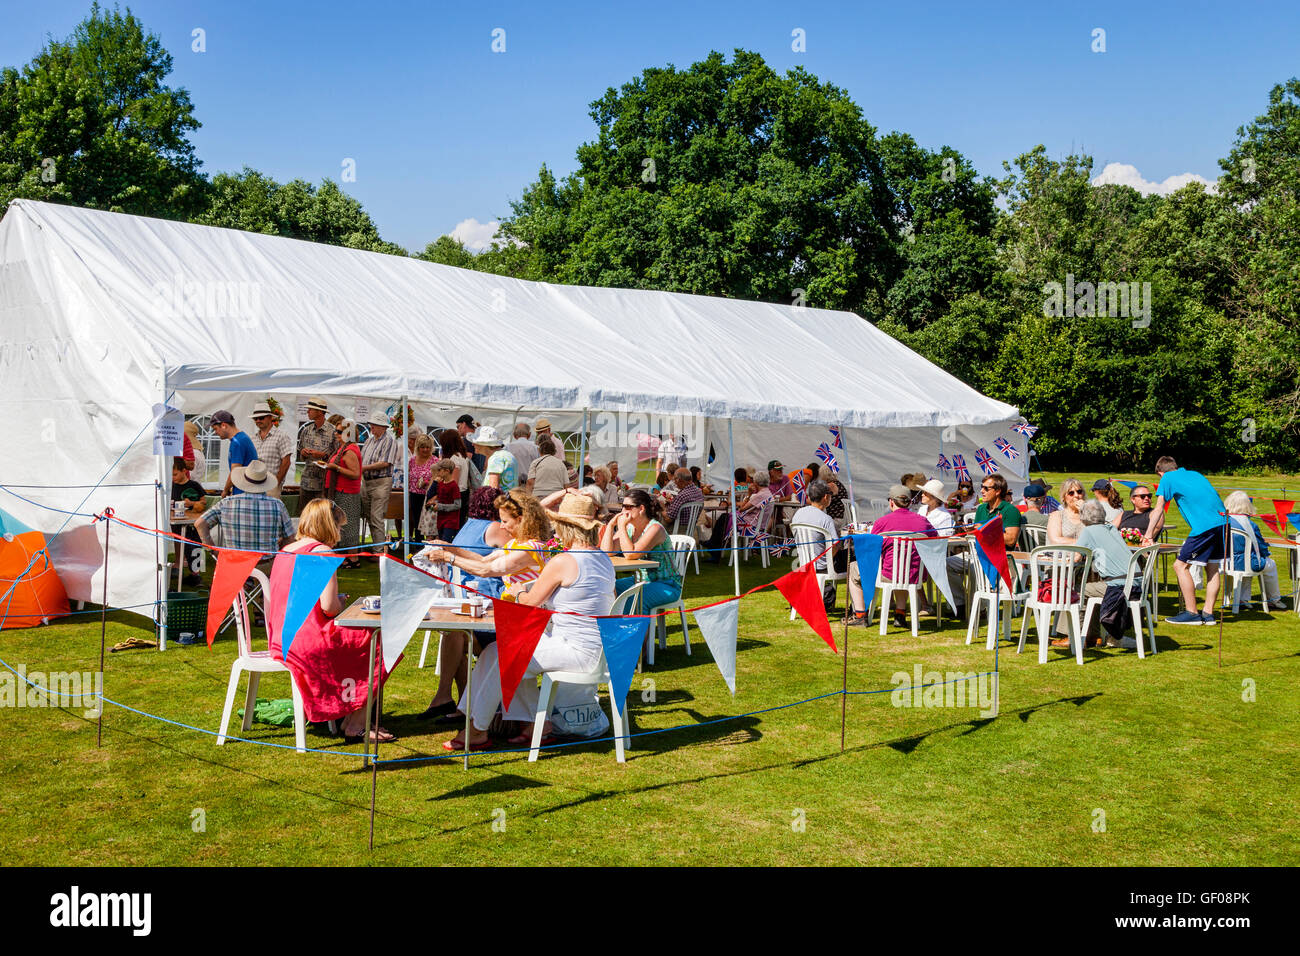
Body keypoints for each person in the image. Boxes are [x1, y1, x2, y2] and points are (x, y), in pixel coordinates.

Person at [446, 493, 615, 751]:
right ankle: (531, 724)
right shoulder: (603, 558)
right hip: (597, 647)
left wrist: (516, 592)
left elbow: (529, 602)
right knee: (494, 651)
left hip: (575, 649)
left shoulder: (564, 560)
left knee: (506, 655)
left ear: (566, 526)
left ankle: (478, 729)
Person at [268, 499, 398, 743]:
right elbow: (329, 608)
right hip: (308, 640)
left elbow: (296, 594)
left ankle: (350, 712)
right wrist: (340, 604)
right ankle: (357, 722)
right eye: (339, 527)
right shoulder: (323, 553)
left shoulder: (285, 550)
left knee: (367, 639)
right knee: (381, 640)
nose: (340, 533)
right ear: (328, 525)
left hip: (281, 637)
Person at [415, 487, 509, 722]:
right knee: (456, 633)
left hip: (471, 606)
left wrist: (448, 551)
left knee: (455, 633)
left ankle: (451, 698)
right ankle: (459, 700)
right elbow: (491, 564)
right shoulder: (496, 528)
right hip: (484, 608)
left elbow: (487, 563)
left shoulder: (467, 526)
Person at [422, 489, 554, 601]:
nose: (501, 526)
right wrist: (448, 547)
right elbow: (483, 560)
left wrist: (447, 557)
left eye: (505, 521)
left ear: (520, 520)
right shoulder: (516, 543)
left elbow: (486, 570)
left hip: (525, 613)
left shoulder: (531, 549)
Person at [1144, 456, 1226, 625]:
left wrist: (1148, 535)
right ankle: (1208, 615)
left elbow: (1159, 508)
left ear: (1160, 472)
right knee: (1212, 567)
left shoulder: (1167, 478)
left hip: (1205, 526)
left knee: (1180, 566)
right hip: (1223, 522)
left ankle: (1192, 613)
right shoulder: (1195, 474)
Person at [850, 483, 935, 625]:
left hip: (889, 573)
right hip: (914, 573)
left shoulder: (882, 522)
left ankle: (859, 615)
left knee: (853, 567)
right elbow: (935, 542)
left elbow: (872, 550)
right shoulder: (923, 522)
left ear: (891, 502)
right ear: (909, 502)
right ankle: (900, 614)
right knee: (901, 569)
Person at [601, 488, 682, 609]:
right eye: (622, 506)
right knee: (606, 589)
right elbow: (607, 552)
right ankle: (614, 625)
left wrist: (621, 526)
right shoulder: (629, 527)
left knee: (635, 599)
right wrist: (610, 526)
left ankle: (637, 627)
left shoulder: (655, 529)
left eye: (628, 507)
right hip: (640, 580)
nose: (623, 511)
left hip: (666, 584)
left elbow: (631, 554)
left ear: (641, 509)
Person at [195, 460, 294, 557]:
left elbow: (200, 524)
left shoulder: (226, 503)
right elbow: (290, 537)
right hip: (267, 566)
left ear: (244, 480)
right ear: (265, 482)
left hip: (235, 564)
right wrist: (280, 553)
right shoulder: (277, 505)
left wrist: (214, 551)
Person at [1073, 500, 1138, 649]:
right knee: (1090, 587)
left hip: (1119, 586)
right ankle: (1106, 636)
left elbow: (1076, 557)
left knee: (1077, 591)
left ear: (1083, 518)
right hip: (1136, 583)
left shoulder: (1088, 531)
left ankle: (1083, 637)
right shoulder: (1111, 528)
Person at [1222, 490, 1286, 610]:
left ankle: (1242, 599)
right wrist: (1266, 554)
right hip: (1243, 563)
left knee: (1248, 560)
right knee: (1269, 564)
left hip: (1224, 562)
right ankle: (1274, 599)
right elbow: (1261, 546)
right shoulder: (1251, 525)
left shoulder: (1223, 521)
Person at [321, 419, 364, 568]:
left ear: (348, 433)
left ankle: (352, 559)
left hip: (347, 493)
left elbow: (356, 473)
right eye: (336, 431)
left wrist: (335, 468)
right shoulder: (343, 447)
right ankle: (345, 558)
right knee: (342, 524)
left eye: (339, 432)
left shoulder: (350, 449)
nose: (336, 434)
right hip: (340, 491)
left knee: (348, 525)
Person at [704, 470, 774, 562]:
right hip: (758, 525)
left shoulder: (759, 496)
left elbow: (742, 509)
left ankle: (713, 548)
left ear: (756, 482)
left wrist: (749, 494)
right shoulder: (768, 493)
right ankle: (713, 546)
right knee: (724, 518)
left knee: (724, 519)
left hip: (750, 526)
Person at [359, 414, 399, 557]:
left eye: (374, 424)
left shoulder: (389, 441)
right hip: (367, 481)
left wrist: (363, 468)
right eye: (371, 424)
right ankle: (376, 547)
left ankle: (379, 552)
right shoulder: (369, 441)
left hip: (381, 482)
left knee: (376, 516)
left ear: (383, 426)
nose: (371, 427)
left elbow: (385, 463)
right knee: (369, 516)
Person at [790, 479, 842, 574]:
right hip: (823, 566)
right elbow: (835, 545)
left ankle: (828, 588)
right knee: (852, 558)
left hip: (804, 562)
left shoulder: (798, 514)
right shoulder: (826, 519)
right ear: (826, 497)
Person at [170, 457, 206, 586]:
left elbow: (203, 502)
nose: (173, 477)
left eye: (175, 474)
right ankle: (184, 568)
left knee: (194, 546)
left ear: (184, 471)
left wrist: (191, 503)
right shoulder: (171, 487)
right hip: (177, 522)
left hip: (193, 523)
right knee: (183, 545)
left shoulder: (194, 485)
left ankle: (196, 574)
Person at [247, 402, 294, 499]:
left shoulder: (281, 436)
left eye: (261, 417)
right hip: (254, 484)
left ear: (270, 417)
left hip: (271, 485)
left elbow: (286, 462)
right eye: (256, 418)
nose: (258, 420)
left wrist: (276, 482)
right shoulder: (252, 438)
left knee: (270, 513)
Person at [296, 397, 335, 508]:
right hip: (306, 482)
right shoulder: (306, 430)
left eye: (311, 409)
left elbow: (337, 458)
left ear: (320, 412)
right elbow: (300, 455)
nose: (307, 411)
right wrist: (303, 453)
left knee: (321, 517)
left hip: (323, 484)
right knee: (305, 516)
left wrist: (323, 455)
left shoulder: (333, 432)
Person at [210, 409, 258, 497]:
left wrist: (225, 491)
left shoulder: (237, 442)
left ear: (224, 425)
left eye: (215, 429)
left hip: (245, 493)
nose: (215, 433)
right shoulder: (240, 439)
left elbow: (235, 471)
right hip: (247, 490)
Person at [975, 473, 1023, 551]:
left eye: (986, 488)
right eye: (981, 487)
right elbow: (977, 534)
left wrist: (985, 530)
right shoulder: (981, 508)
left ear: (997, 491)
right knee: (949, 560)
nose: (981, 491)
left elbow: (1011, 540)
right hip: (978, 555)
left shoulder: (1010, 510)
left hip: (1000, 558)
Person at [436, 428, 472, 525]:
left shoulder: (454, 459)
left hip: (456, 494)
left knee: (452, 524)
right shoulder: (462, 456)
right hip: (464, 492)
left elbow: (453, 482)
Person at [406, 434, 436, 543]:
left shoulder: (434, 461)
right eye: (423, 447)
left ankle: (428, 544)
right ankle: (418, 543)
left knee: (427, 520)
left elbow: (437, 479)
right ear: (418, 447)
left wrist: (427, 483)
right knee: (416, 519)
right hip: (414, 494)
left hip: (428, 495)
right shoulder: (412, 460)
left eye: (428, 447)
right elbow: (408, 477)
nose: (425, 449)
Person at [469, 425, 516, 492]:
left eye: (475, 442)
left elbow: (493, 489)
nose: (472, 444)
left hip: (499, 501)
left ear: (484, 444)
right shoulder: (508, 455)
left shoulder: (496, 458)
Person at [661, 466, 704, 531]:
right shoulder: (699, 491)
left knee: (656, 522)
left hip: (678, 530)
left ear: (680, 480)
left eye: (675, 479)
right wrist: (672, 502)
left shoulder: (682, 495)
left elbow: (668, 519)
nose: (674, 482)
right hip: (691, 529)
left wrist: (661, 507)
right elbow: (685, 504)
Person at [1046, 478, 1085, 546]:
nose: (1076, 495)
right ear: (1064, 497)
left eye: (1079, 491)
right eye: (1071, 493)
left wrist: (1086, 511)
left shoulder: (1090, 515)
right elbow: (1055, 540)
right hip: (1061, 555)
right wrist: (1084, 542)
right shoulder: (1057, 515)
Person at [430, 459, 462, 537]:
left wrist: (440, 506)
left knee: (446, 543)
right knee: (441, 541)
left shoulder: (454, 486)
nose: (437, 472)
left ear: (447, 471)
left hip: (451, 521)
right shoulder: (440, 483)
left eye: (439, 470)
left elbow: (458, 505)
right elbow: (430, 495)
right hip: (441, 519)